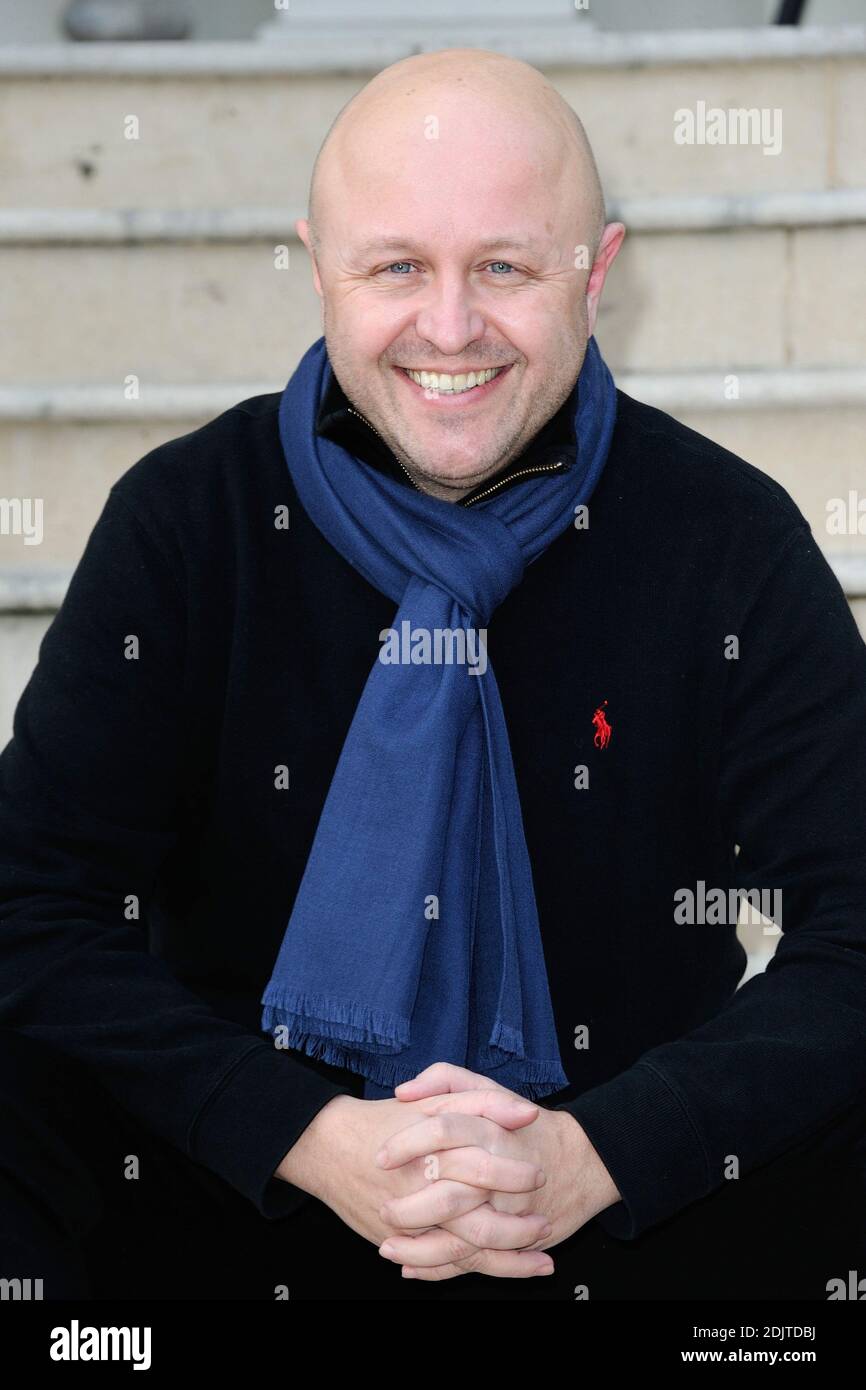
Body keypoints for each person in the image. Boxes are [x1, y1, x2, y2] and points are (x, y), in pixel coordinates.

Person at [1, 47, 864, 1303]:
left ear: (596, 274)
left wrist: (594, 1153)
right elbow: (30, 906)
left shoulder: (720, 539)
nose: (448, 327)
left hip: (621, 1227)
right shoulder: (193, 522)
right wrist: (305, 1137)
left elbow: (851, 922)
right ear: (318, 271)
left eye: (503, 267)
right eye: (397, 266)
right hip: (237, 1215)